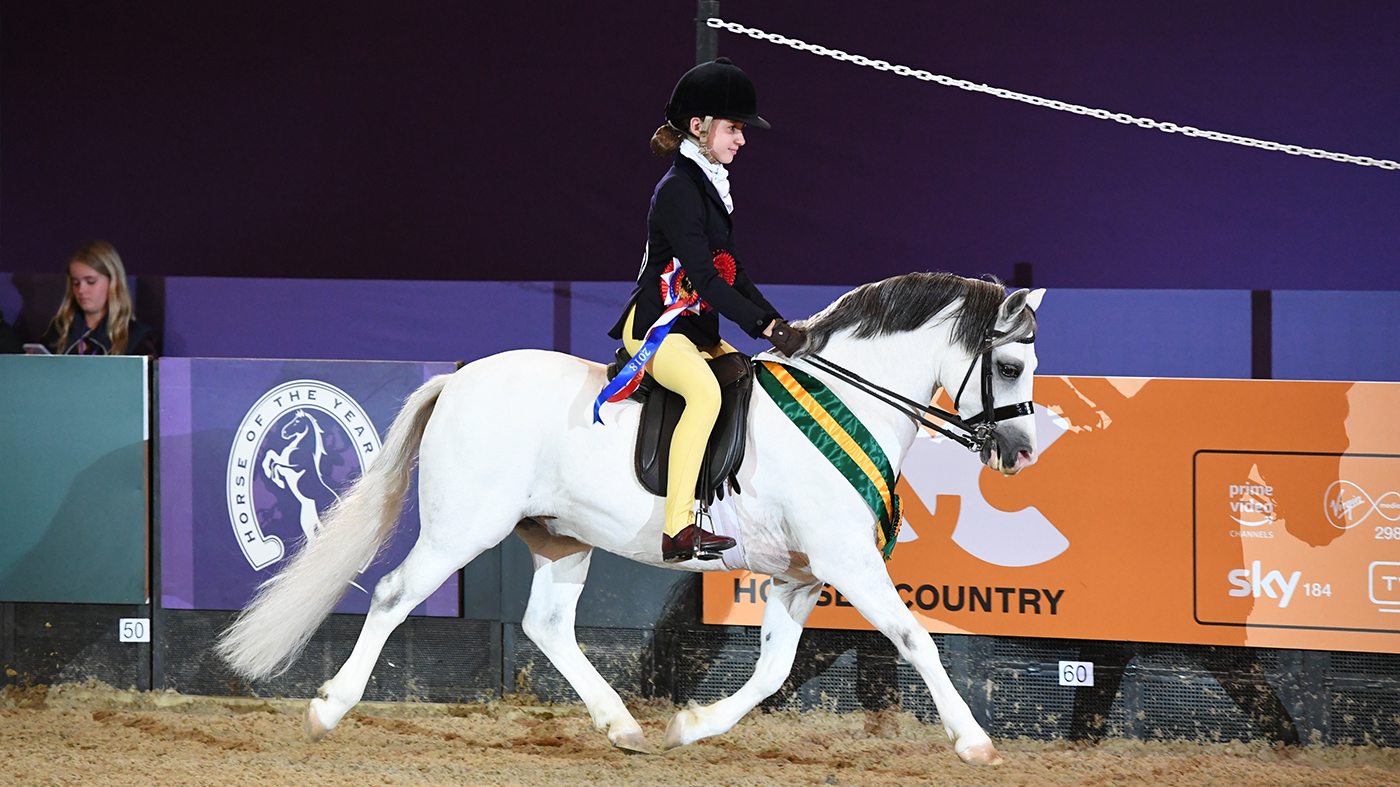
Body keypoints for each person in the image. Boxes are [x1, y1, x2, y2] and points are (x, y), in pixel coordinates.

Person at [603, 58, 806, 563]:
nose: (741, 139)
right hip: (657, 328)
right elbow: (709, 281)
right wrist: (763, 325)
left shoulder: (711, 189)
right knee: (704, 391)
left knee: (753, 382)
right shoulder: (678, 191)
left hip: (697, 332)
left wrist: (781, 324)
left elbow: (733, 273)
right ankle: (678, 531)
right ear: (699, 126)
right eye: (733, 127)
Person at [42, 241, 157, 356]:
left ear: (114, 282)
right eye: (76, 283)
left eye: (91, 282)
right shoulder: (58, 331)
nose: (81, 290)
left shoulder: (135, 337)